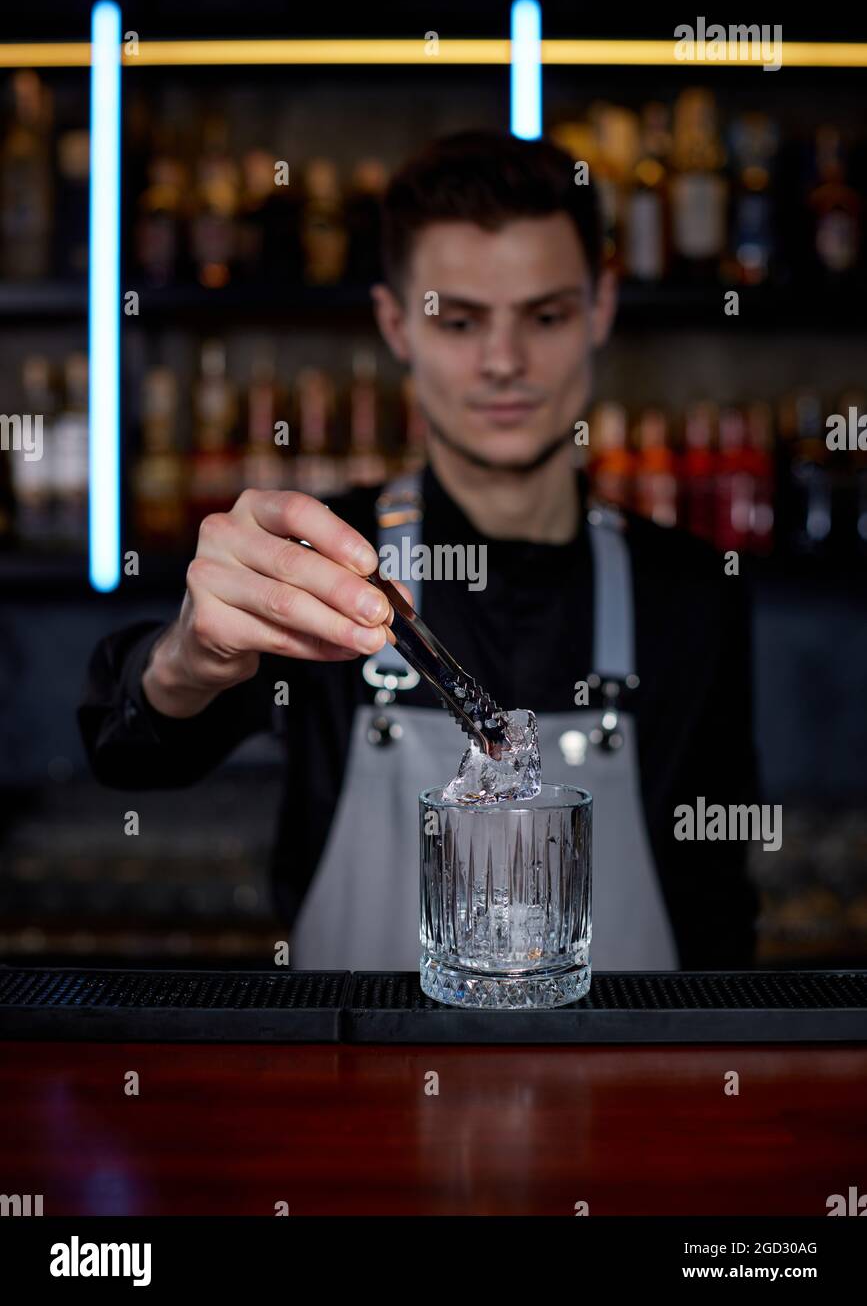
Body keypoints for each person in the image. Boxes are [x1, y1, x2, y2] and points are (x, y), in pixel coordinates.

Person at [78, 130, 760, 972]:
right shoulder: (322, 564)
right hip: (354, 1088)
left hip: (620, 1093)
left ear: (600, 308)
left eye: (544, 315)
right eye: (460, 320)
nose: (502, 361)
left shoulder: (691, 589)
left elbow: (718, 905)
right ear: (396, 325)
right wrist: (186, 658)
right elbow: (128, 757)